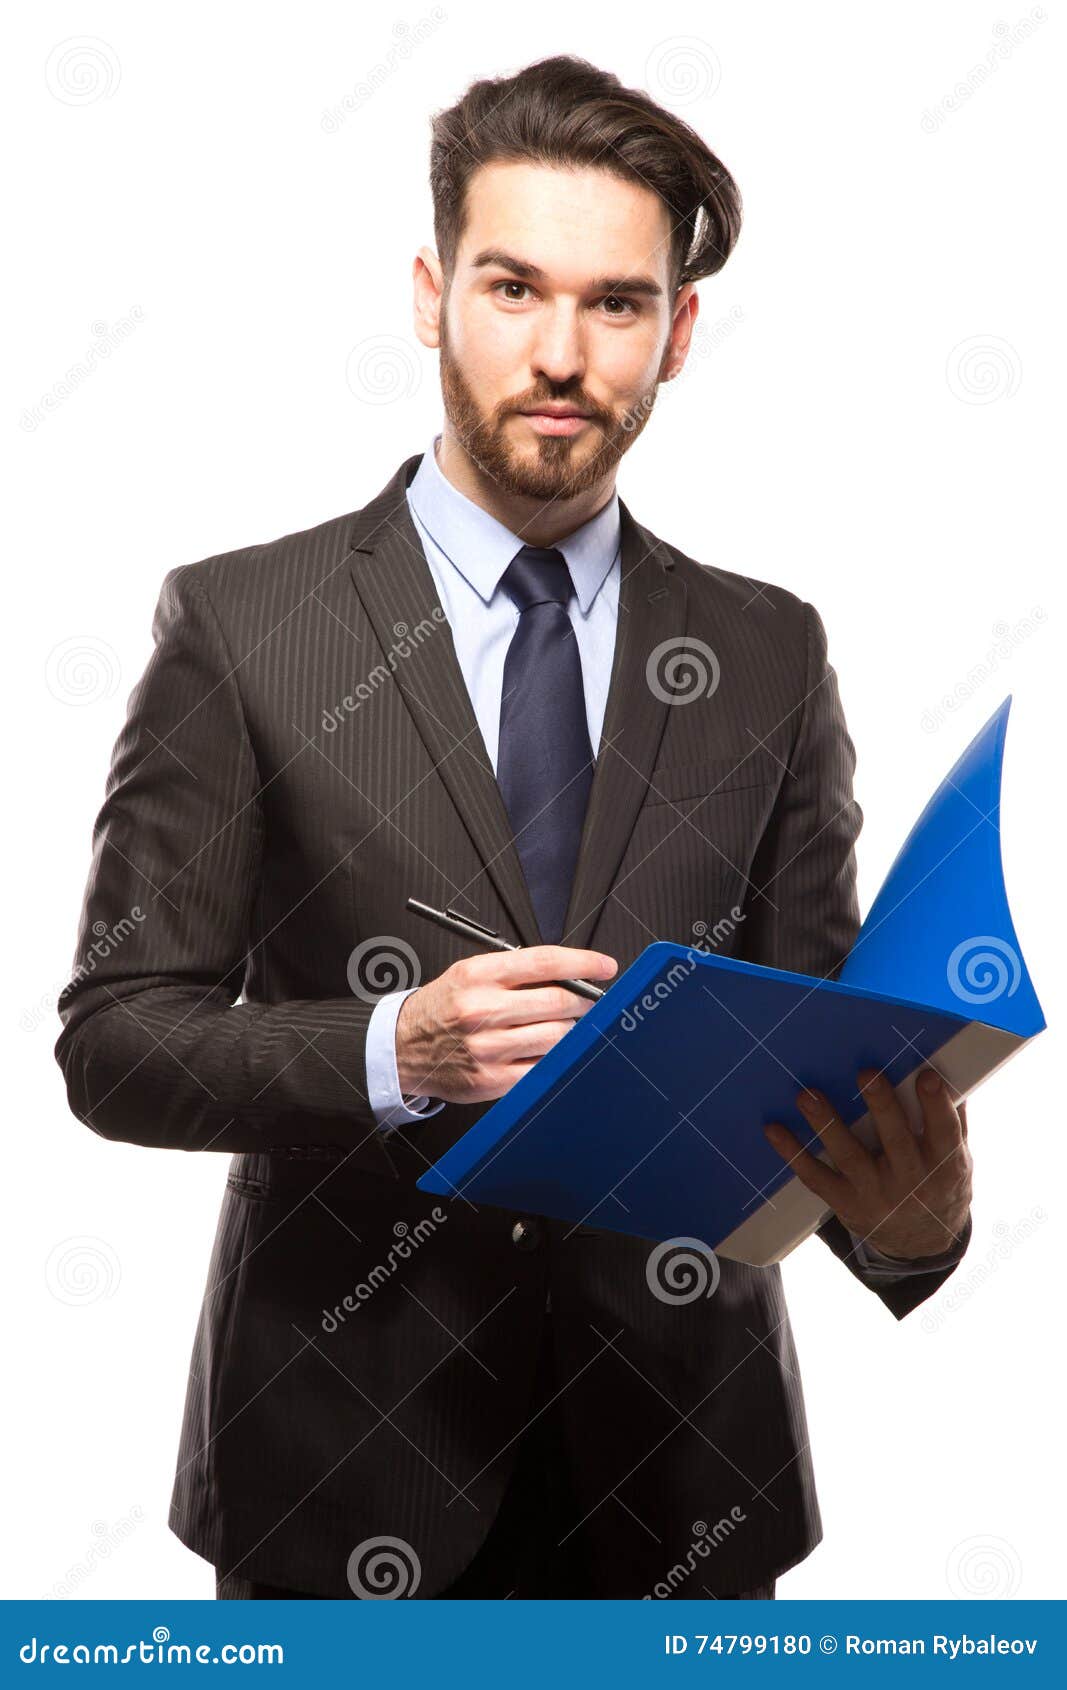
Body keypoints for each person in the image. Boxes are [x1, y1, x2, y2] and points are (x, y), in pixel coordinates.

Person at [55, 54, 972, 1601]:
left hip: (686, 1493)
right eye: (511, 288)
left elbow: (819, 1053)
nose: (558, 353)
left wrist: (912, 1223)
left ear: (677, 332)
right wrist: (388, 1049)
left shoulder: (767, 651)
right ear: (432, 295)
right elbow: (116, 1037)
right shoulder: (246, 624)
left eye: (615, 304)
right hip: (342, 1482)